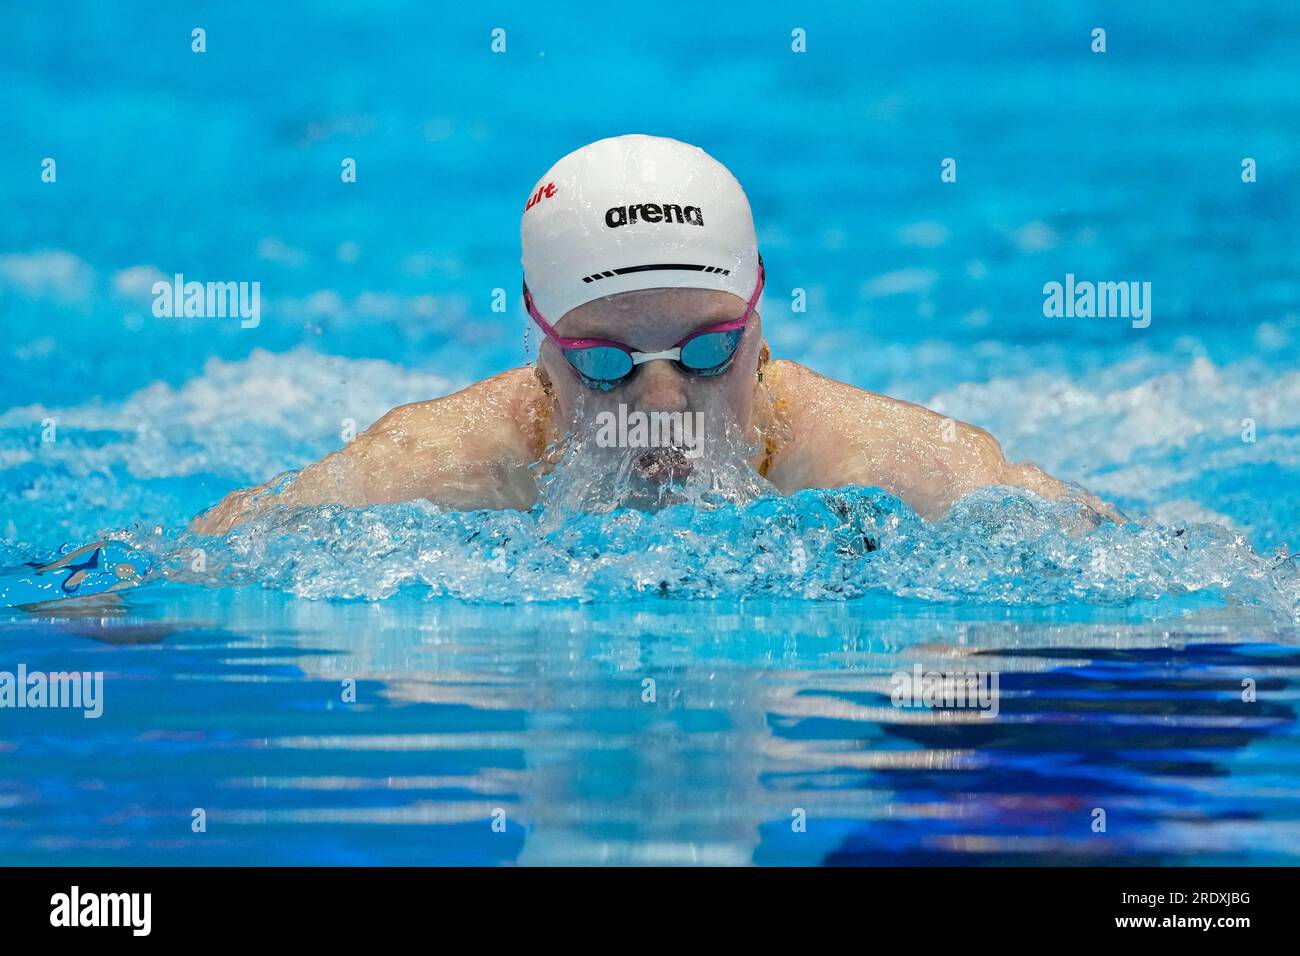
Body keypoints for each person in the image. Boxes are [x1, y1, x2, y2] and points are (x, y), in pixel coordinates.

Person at [193, 134, 1117, 536]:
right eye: (604, 364)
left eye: (710, 350)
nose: (663, 407)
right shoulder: (436, 469)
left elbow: (1152, 577)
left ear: (761, 323)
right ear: (541, 346)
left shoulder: (893, 466)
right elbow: (180, 572)